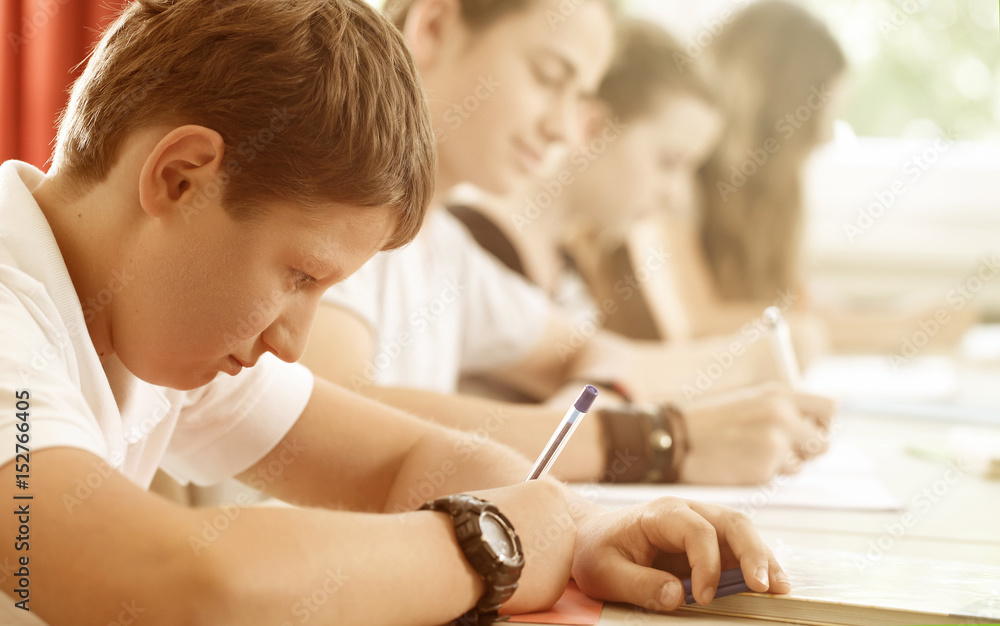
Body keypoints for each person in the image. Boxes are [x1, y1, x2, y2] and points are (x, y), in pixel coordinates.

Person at [0, 0, 792, 623]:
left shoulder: (159, 328)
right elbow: (185, 593)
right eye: (299, 274)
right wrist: (499, 545)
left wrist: (580, 530)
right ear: (181, 177)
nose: (292, 341)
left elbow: (405, 463)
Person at [303, 0, 836, 487]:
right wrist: (660, 440)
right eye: (548, 76)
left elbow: (588, 351)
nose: (563, 129)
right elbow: (334, 418)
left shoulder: (443, 247)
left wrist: (579, 422)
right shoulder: (324, 204)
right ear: (436, 28)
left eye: (579, 95)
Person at [680, 1, 974, 351]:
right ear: (776, 113)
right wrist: (900, 327)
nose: (826, 136)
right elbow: (698, 325)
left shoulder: (778, 193)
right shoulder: (670, 180)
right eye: (819, 114)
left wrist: (882, 318)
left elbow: (788, 310)